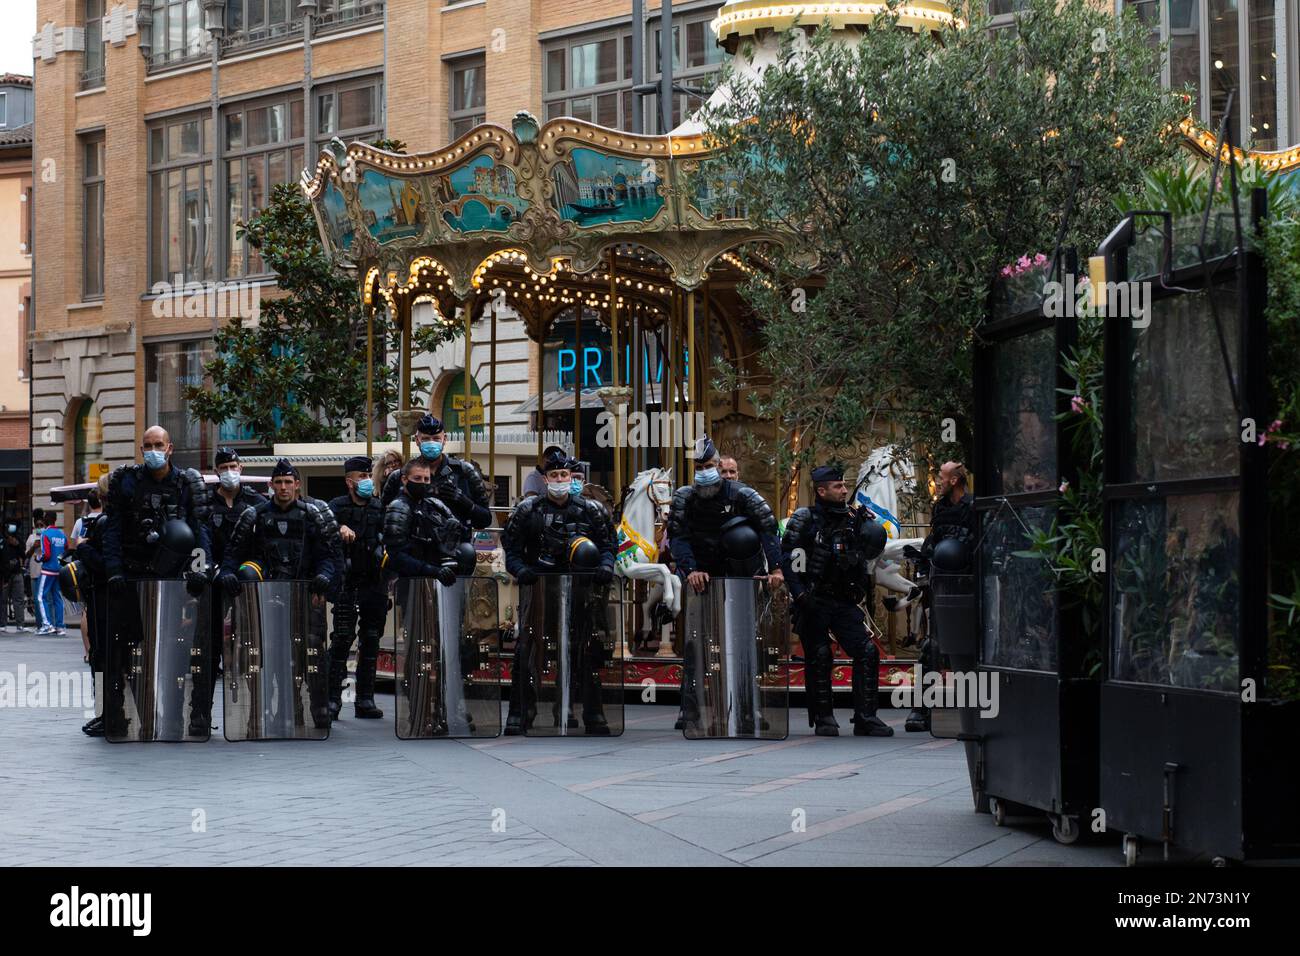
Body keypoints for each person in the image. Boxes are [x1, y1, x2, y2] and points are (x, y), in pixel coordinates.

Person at [102, 426, 213, 737]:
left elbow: (199, 530)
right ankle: (131, 714)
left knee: (176, 653)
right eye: (147, 445)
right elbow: (113, 529)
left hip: (173, 580)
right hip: (133, 577)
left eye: (158, 444)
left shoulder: (186, 483)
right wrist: (114, 570)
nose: (152, 450)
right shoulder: (126, 480)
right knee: (129, 652)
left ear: (170, 447)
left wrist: (199, 570)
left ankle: (174, 716)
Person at [667, 436, 782, 729]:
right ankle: (689, 708)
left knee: (745, 644)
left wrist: (778, 569)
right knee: (696, 645)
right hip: (702, 580)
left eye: (710, 465)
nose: (705, 470)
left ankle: (748, 707)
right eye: (699, 466)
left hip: (740, 578)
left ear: (719, 465)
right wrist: (691, 569)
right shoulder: (685, 497)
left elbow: (768, 529)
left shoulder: (743, 495)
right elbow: (678, 537)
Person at [502, 449, 616, 735]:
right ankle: (520, 713)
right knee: (527, 652)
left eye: (565, 474)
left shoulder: (592, 510)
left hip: (581, 592)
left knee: (586, 650)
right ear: (545, 478)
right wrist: (522, 570)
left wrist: (605, 565)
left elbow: (608, 545)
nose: (560, 479)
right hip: (539, 593)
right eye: (554, 475)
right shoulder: (528, 511)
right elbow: (512, 550)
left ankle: (591, 712)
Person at [219, 459, 338, 729]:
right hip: (266, 601)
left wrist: (325, 576)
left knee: (311, 655)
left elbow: (327, 556)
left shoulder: (312, 516)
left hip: (305, 599)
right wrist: (228, 573)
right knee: (265, 658)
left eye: (288, 482)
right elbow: (232, 554)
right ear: (271, 486)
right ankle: (259, 713)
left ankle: (316, 709)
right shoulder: (254, 516)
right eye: (279, 482)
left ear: (297, 485)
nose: (283, 487)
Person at [781, 463, 892, 738]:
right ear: (821, 490)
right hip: (814, 599)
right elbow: (788, 560)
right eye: (837, 486)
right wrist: (801, 595)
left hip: (843, 600)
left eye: (844, 485)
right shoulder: (804, 519)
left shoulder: (855, 517)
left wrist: (867, 525)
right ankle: (824, 718)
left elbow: (870, 549)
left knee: (866, 651)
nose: (844, 490)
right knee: (819, 656)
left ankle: (866, 717)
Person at [192, 447, 265, 735]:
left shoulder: (256, 503)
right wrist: (215, 572)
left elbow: (262, 548)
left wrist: (243, 571)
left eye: (233, 465)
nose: (229, 471)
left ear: (241, 468)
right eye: (223, 467)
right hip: (212, 585)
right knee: (207, 651)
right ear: (215, 471)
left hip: (244, 587)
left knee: (249, 650)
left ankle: (252, 716)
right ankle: (199, 715)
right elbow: (201, 545)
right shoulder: (206, 506)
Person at [904, 460, 979, 733]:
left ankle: (978, 711)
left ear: (956, 480)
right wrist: (924, 559)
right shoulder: (941, 508)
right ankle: (921, 710)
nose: (938, 480)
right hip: (943, 587)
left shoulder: (973, 508)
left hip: (969, 588)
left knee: (972, 651)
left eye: (942, 476)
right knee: (931, 647)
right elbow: (935, 540)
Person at [327, 455, 389, 720]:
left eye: (368, 476)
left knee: (372, 639)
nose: (366, 481)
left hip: (373, 582)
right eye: (361, 477)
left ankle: (364, 699)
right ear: (349, 481)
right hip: (347, 582)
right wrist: (338, 527)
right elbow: (324, 533)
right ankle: (332, 700)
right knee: (341, 639)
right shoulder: (335, 507)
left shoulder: (379, 507)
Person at [380, 417, 491, 545]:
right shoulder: (400, 476)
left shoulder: (464, 472)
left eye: (436, 439)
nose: (431, 443)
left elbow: (485, 520)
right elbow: (383, 518)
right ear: (417, 440)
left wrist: (464, 501)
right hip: (414, 553)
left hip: (454, 551)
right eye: (426, 439)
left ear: (445, 439)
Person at [71, 477, 110, 735]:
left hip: (107, 598)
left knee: (105, 659)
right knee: (100, 658)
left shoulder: (110, 524)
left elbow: (103, 562)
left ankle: (109, 714)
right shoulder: (105, 522)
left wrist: (84, 549)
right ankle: (103, 713)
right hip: (101, 599)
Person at [36, 513, 68, 635]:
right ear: (55, 520)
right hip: (59, 570)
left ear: (45, 520)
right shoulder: (62, 534)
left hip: (48, 570)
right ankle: (60, 627)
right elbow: (66, 550)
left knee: (41, 596)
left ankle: (47, 625)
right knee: (58, 598)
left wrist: (38, 558)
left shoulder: (45, 534)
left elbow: (46, 555)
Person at [2, 522, 26, 631]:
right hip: (4, 575)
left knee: (19, 599)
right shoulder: (2, 540)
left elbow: (23, 554)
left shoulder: (18, 539)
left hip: (17, 573)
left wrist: (17, 545)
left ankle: (20, 625)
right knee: (2, 600)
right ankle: (2, 624)